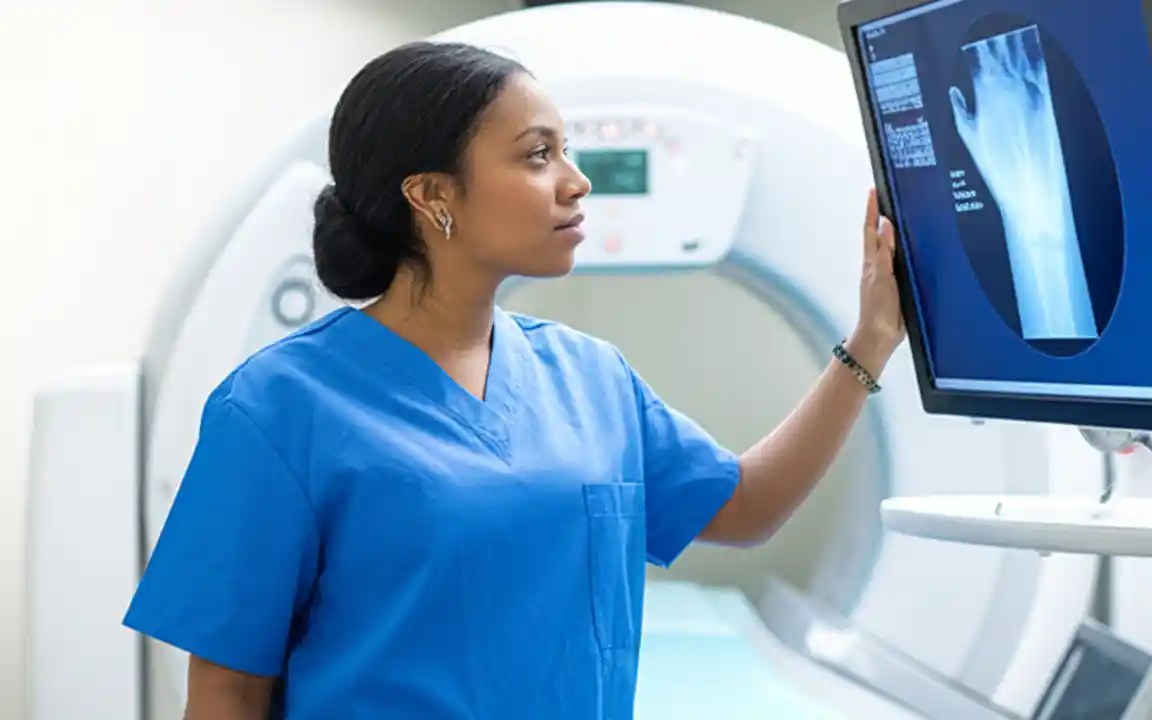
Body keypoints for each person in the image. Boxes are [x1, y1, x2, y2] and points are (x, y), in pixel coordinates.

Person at [122, 40, 906, 720]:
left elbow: (743, 506)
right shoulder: (280, 408)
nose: (576, 181)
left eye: (564, 151)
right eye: (538, 155)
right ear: (433, 196)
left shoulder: (591, 375)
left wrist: (869, 342)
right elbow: (227, 695)